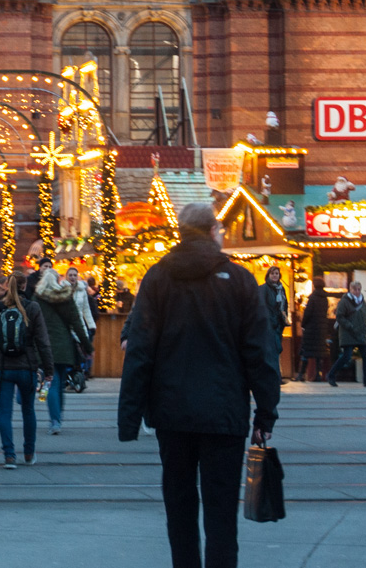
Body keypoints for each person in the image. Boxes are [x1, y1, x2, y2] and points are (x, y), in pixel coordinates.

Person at [119, 202, 280, 568]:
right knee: (221, 512)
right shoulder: (239, 281)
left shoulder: (157, 278)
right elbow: (260, 352)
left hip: (171, 414)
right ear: (212, 232)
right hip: (224, 414)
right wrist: (265, 413)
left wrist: (129, 418)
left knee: (179, 507)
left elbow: (140, 349)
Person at [0, 272, 52, 468]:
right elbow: (43, 342)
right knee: (28, 411)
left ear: (7, 286)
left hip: (3, 367)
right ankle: (29, 453)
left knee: (5, 412)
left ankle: (9, 456)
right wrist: (48, 368)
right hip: (27, 367)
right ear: (24, 285)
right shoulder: (33, 307)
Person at [35, 265, 92, 436]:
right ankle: (58, 418)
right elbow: (77, 322)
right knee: (59, 384)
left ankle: (54, 420)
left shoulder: (37, 299)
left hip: (44, 346)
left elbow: (30, 322)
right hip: (64, 346)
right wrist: (87, 346)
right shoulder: (66, 297)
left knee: (50, 381)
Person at [326, 280, 366, 387]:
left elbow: (365, 315)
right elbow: (339, 316)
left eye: (359, 289)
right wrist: (350, 326)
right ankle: (331, 375)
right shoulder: (344, 301)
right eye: (355, 289)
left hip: (361, 333)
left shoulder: (363, 301)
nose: (357, 292)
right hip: (348, 333)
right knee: (346, 356)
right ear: (351, 289)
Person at [262, 268, 290, 383]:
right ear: (268, 275)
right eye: (272, 273)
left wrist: (284, 318)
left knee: (276, 350)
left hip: (279, 324)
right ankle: (275, 377)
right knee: (274, 350)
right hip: (269, 325)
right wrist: (270, 320)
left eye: (276, 274)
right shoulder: (264, 289)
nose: (274, 276)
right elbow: (263, 307)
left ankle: (276, 376)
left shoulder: (281, 288)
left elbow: (284, 305)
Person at [299, 283, 330, 382]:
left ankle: (301, 375)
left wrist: (303, 324)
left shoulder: (312, 298)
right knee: (319, 353)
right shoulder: (325, 298)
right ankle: (318, 375)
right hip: (321, 329)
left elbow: (307, 313)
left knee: (306, 351)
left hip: (311, 329)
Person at [68, 269, 99, 335]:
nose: (72, 277)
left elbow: (86, 309)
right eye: (70, 275)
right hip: (67, 324)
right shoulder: (62, 289)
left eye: (74, 275)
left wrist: (91, 325)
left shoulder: (82, 291)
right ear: (67, 277)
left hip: (80, 322)